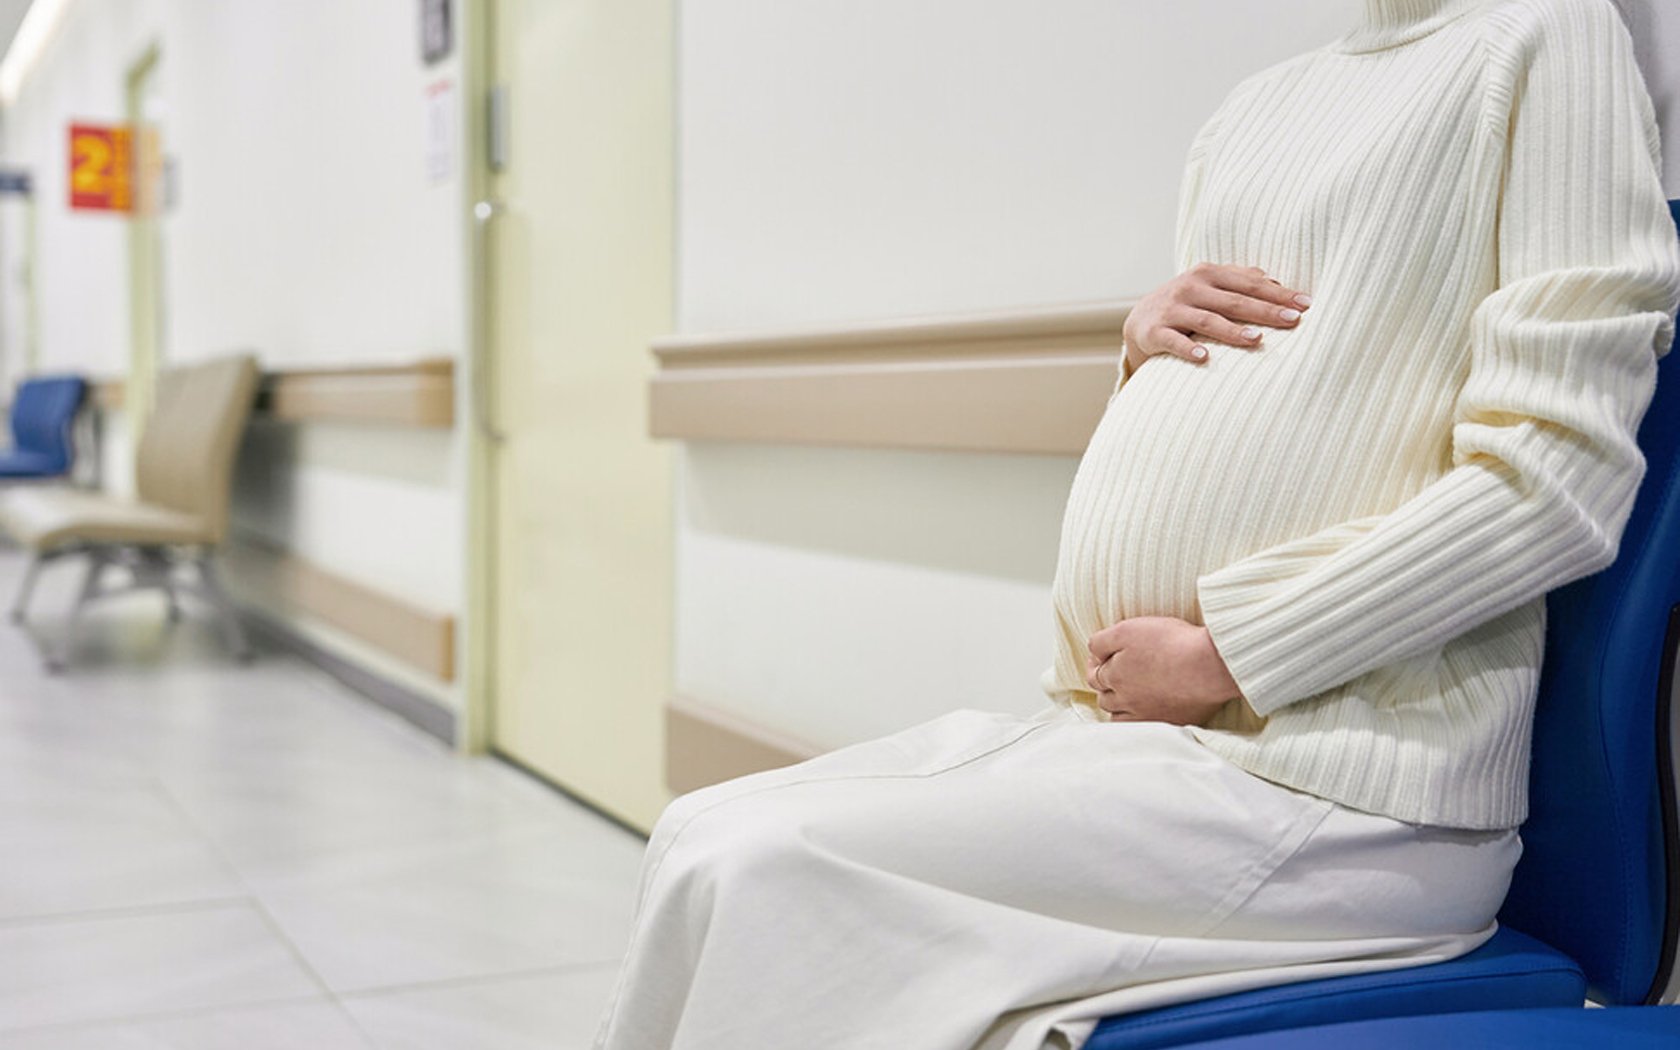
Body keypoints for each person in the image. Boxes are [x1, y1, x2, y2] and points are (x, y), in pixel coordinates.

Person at [592, 1, 1680, 1047]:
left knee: (754, 866)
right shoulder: (1256, 107)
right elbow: (1261, 399)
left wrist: (1232, 654)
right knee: (699, 834)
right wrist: (1143, 350)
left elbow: (1555, 482)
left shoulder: (1545, 33)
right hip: (1155, 740)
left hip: (1351, 789)